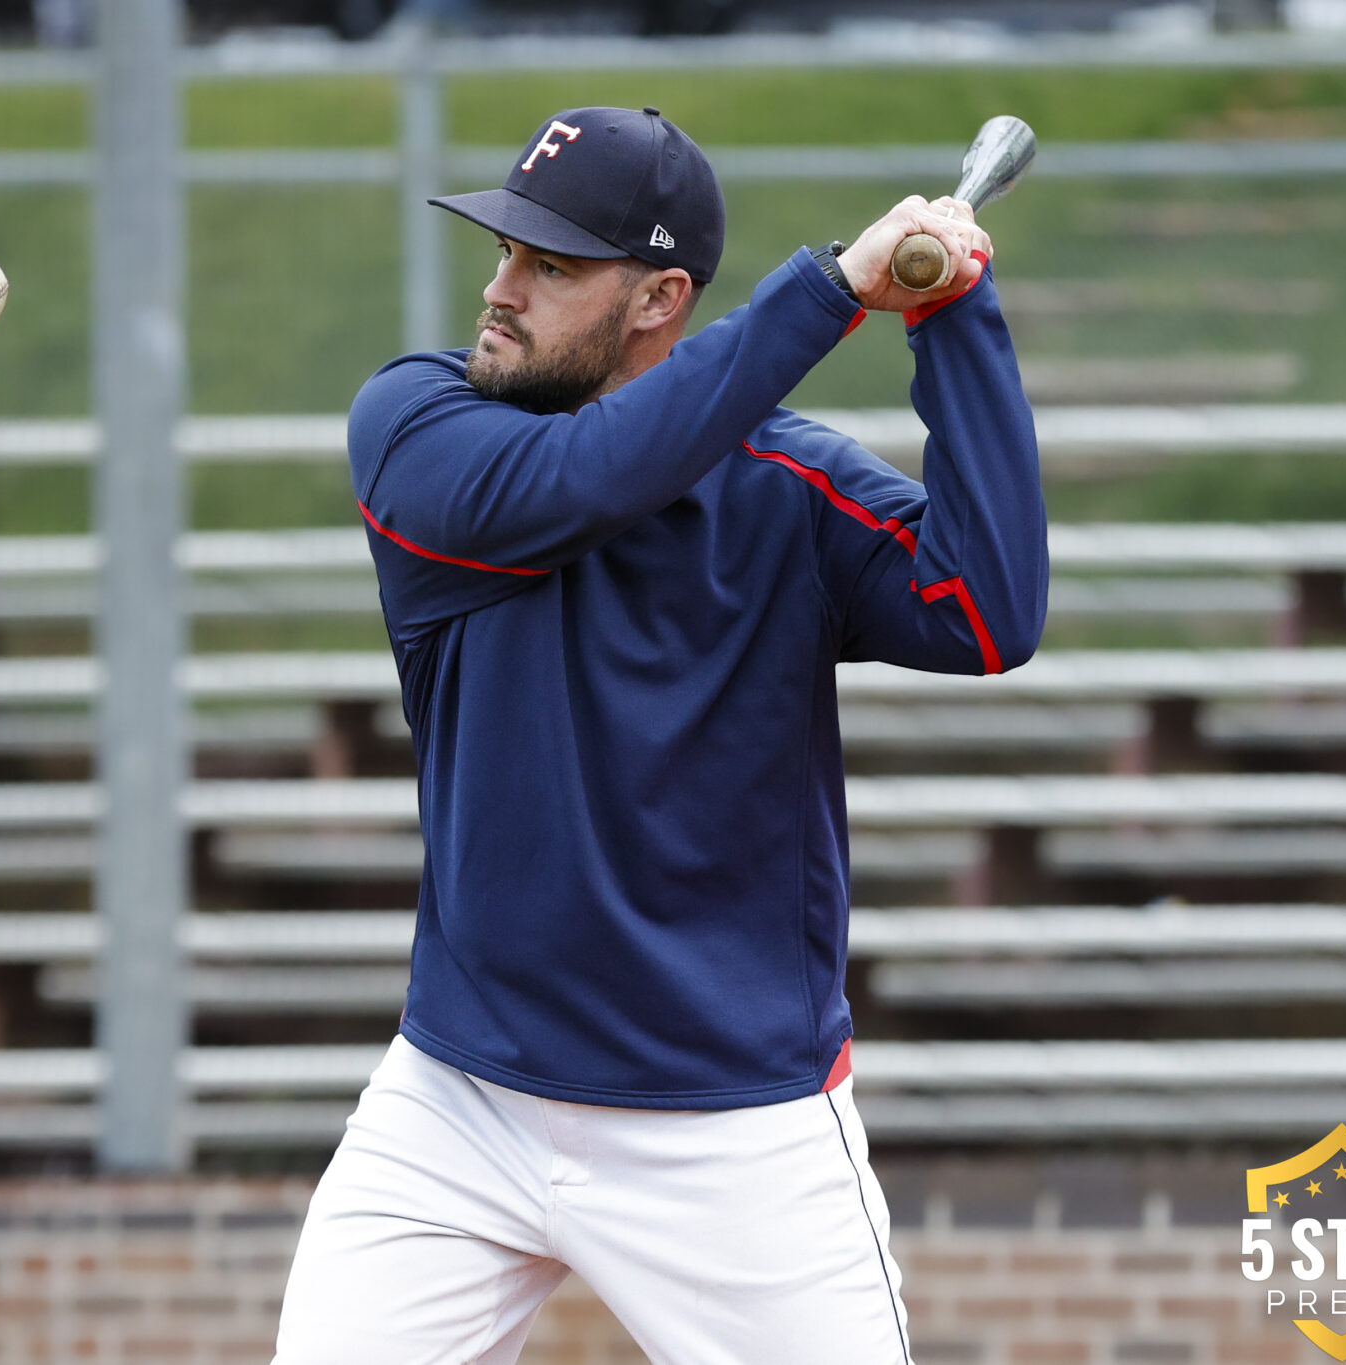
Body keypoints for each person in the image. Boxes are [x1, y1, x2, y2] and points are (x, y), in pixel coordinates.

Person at [271, 105, 1048, 1364]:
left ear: (660, 299)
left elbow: (986, 612)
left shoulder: (785, 489)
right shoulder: (420, 426)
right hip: (461, 1102)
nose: (501, 291)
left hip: (730, 1124)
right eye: (505, 251)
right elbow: (583, 482)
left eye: (552, 267)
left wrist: (950, 319)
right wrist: (826, 293)